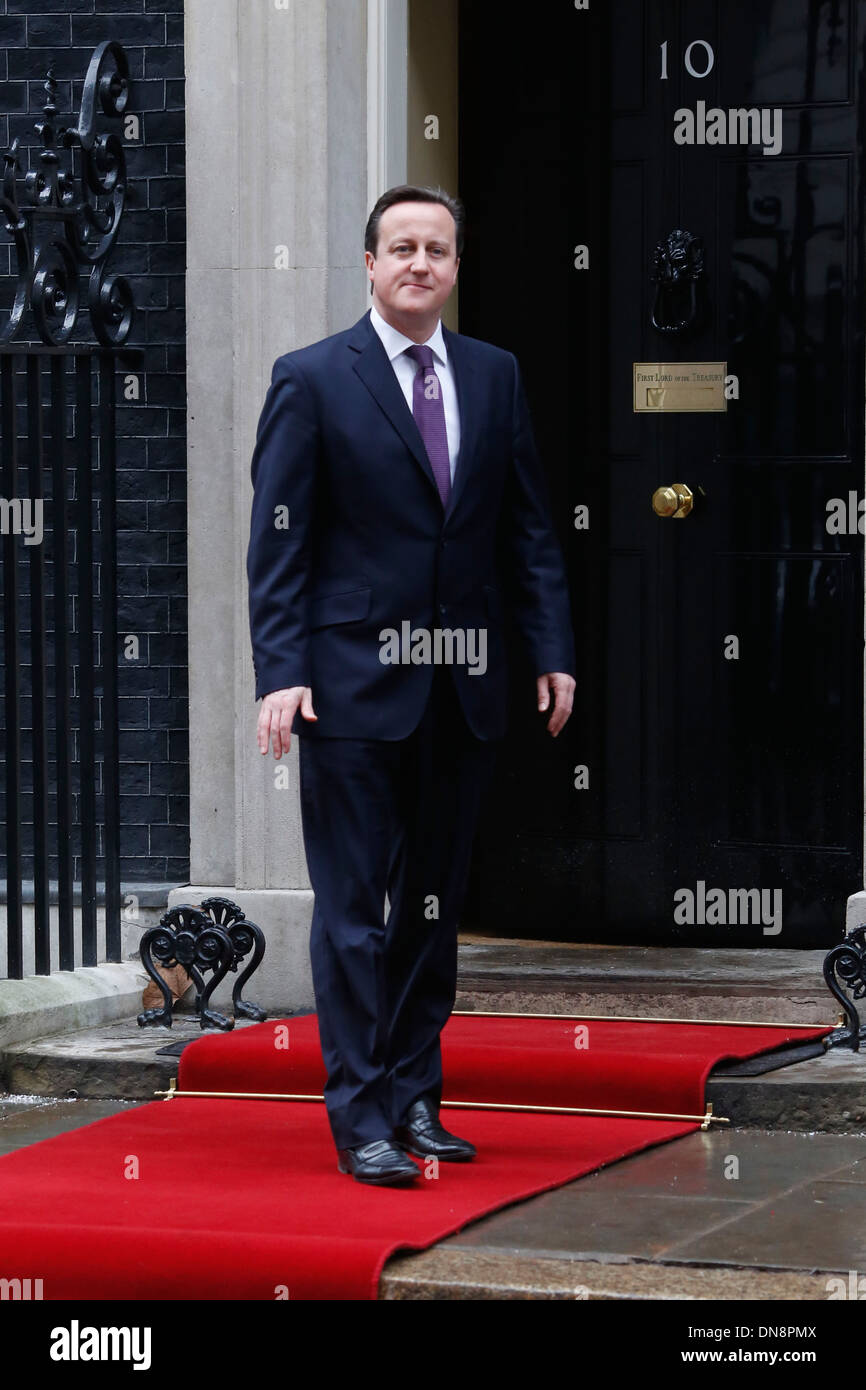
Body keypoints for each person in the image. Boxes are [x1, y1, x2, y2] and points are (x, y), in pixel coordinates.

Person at [247, 184, 576, 1185]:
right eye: (400, 247)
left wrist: (549, 647)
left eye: (435, 248)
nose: (418, 263)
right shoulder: (311, 380)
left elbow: (525, 527)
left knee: (429, 909)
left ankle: (414, 1094)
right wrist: (281, 674)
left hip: (462, 691)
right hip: (349, 692)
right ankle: (359, 1117)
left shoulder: (493, 375)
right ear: (368, 263)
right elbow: (279, 547)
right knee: (353, 914)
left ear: (453, 265)